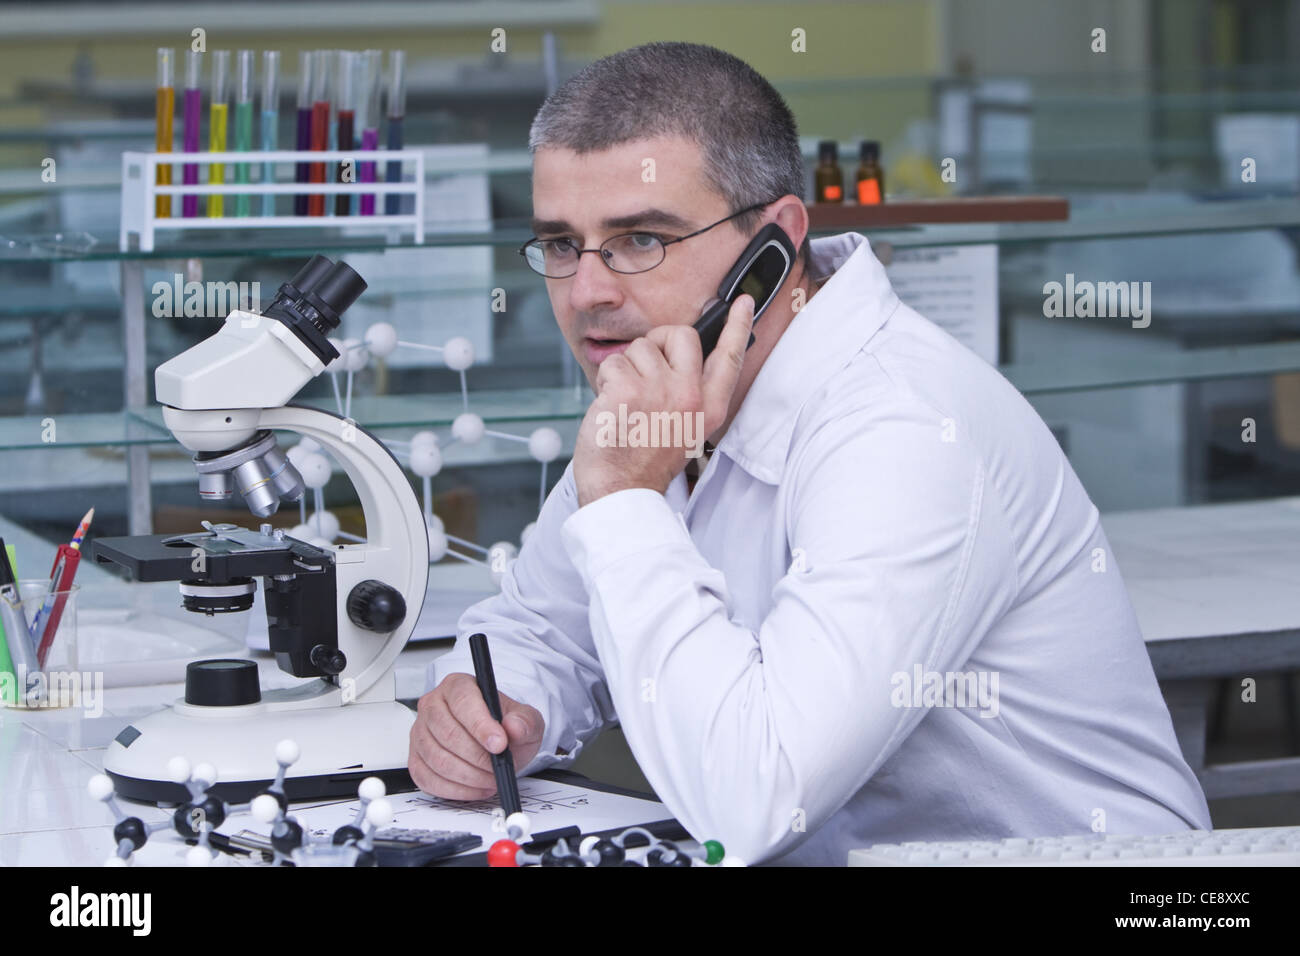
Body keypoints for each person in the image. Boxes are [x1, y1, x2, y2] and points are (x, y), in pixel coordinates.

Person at [411, 41, 1211, 865]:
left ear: (776, 245)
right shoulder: (662, 404)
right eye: (560, 245)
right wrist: (492, 704)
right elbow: (541, 629)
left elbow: (754, 800)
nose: (587, 292)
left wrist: (623, 500)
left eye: (641, 239)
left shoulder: (901, 428)